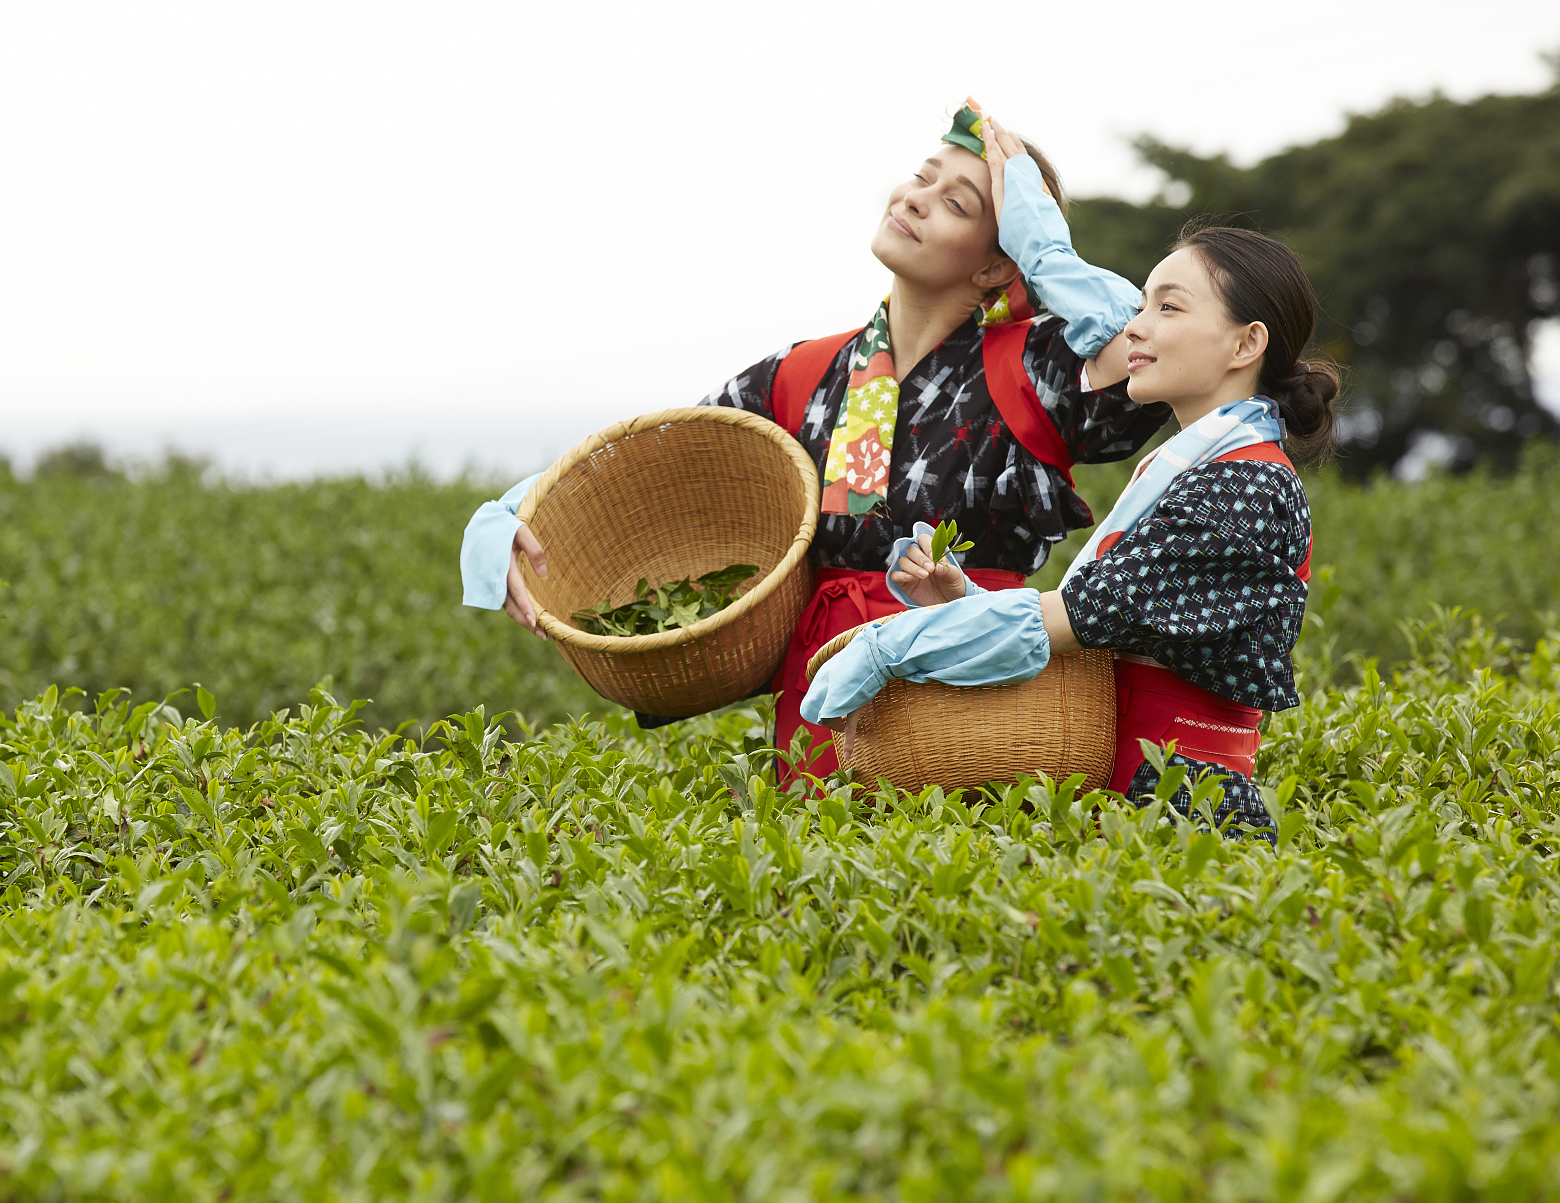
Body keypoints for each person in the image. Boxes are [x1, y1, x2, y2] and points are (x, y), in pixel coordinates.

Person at [460, 103, 1169, 784]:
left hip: (976, 702)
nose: (918, 199)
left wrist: (1044, 246)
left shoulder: (1036, 366)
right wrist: (516, 510)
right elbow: (656, 466)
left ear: (995, 264)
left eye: (959, 204)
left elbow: (1145, 345)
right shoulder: (800, 374)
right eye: (924, 177)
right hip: (825, 696)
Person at [804, 220, 1339, 842]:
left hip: (1185, 812)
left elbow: (1080, 617)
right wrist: (964, 603)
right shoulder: (1206, 467)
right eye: (1142, 305)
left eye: (1168, 307)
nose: (1136, 327)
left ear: (1246, 344)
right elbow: (1109, 619)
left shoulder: (1246, 486)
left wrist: (894, 646)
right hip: (1143, 801)